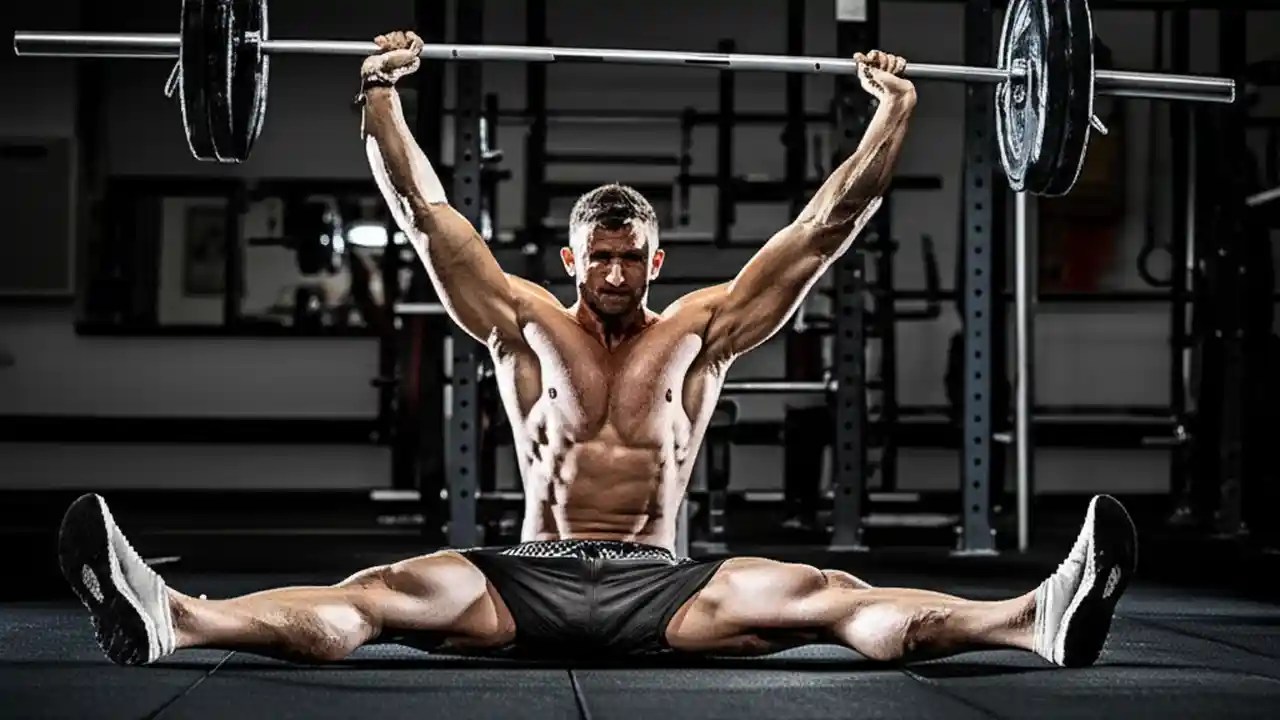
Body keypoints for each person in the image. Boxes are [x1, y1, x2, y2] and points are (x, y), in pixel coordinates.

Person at [58, 32, 1137, 669]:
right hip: (519, 576)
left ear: (655, 257)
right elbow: (432, 218)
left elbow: (823, 230)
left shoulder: (702, 331)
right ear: (568, 259)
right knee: (379, 590)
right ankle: (173, 618)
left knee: (823, 591)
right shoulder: (523, 324)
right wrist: (378, 98)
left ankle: (1033, 618)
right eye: (596, 259)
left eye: (628, 258)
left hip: (663, 585)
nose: (613, 275)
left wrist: (890, 114)